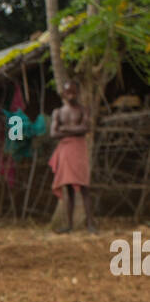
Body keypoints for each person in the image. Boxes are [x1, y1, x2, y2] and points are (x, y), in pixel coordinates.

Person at [49, 80, 97, 233]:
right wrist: (74, 129)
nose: (71, 95)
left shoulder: (83, 109)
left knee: (84, 186)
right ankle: (69, 225)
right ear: (63, 93)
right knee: (68, 188)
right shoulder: (58, 112)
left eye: (74, 91)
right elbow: (53, 133)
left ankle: (90, 225)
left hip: (79, 149)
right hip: (65, 150)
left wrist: (65, 128)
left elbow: (85, 128)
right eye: (68, 92)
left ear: (78, 92)